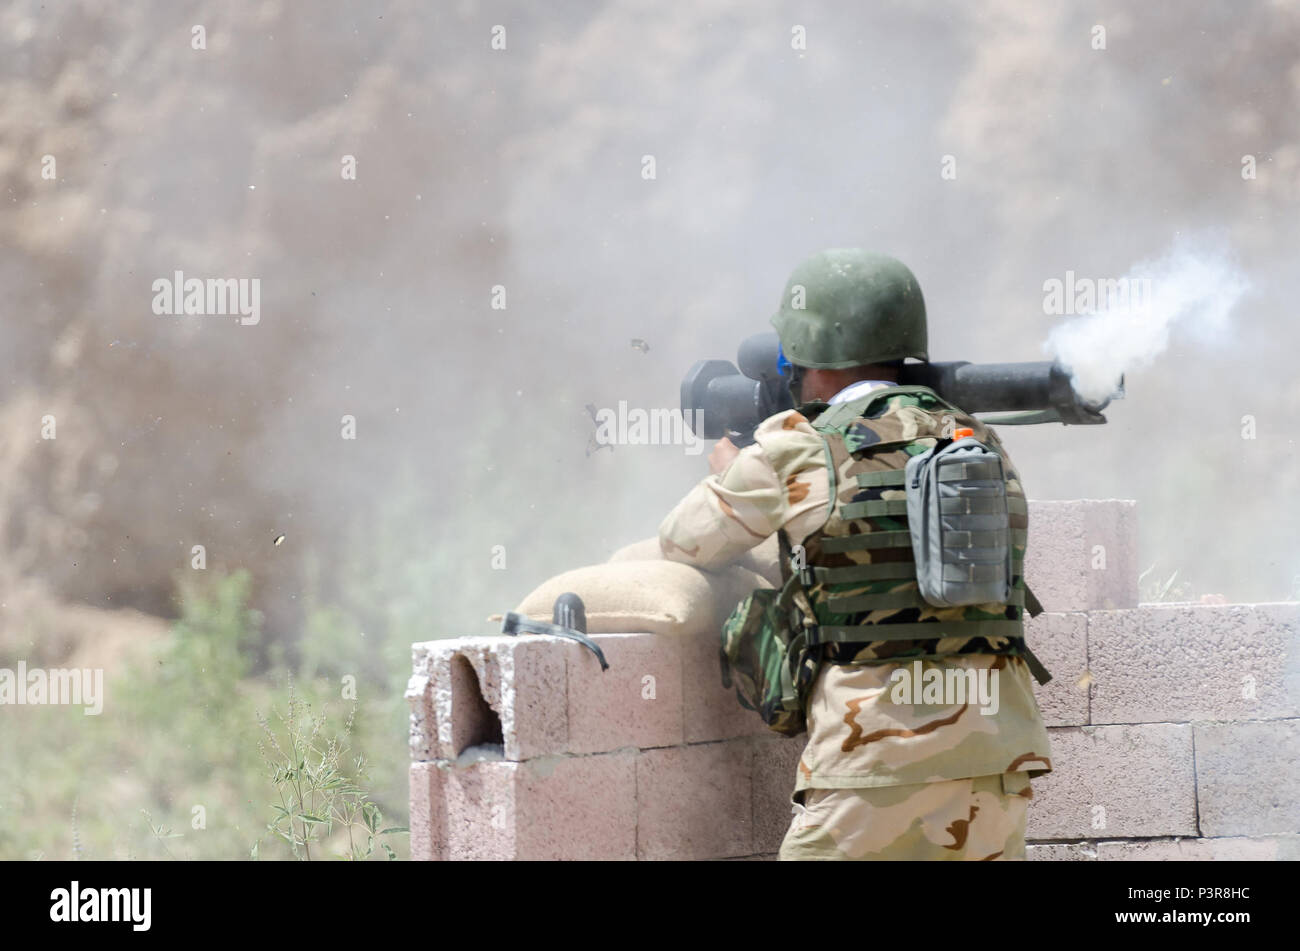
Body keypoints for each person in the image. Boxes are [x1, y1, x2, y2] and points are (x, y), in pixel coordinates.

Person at [659, 248, 1053, 860]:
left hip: (872, 764)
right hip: (995, 759)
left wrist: (733, 469)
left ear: (805, 356)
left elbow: (684, 540)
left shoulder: (800, 445)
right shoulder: (978, 440)